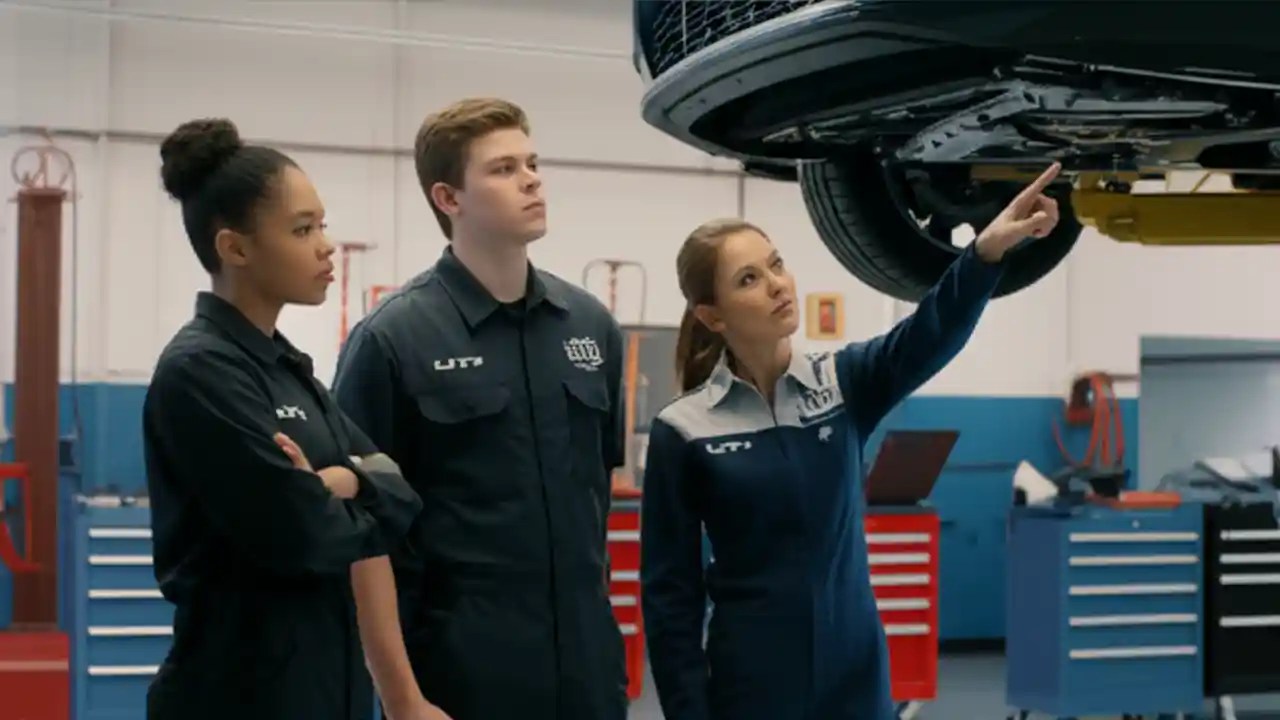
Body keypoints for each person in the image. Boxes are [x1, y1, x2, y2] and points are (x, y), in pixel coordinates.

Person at [640, 165, 1064, 720]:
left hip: (856, 675)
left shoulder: (843, 382)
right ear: (711, 315)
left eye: (776, 264)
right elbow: (670, 598)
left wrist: (984, 252)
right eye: (748, 279)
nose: (776, 284)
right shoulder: (685, 429)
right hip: (754, 684)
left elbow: (930, 332)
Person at [331, 97, 628, 720]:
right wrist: (401, 697)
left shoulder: (592, 328)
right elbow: (363, 541)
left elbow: (595, 497)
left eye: (532, 162)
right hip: (458, 678)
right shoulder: (391, 341)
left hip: (587, 673)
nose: (531, 179)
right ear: (449, 198)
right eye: (502, 169)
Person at [142, 118, 427, 720]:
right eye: (303, 229)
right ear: (235, 248)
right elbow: (303, 536)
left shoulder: (288, 369)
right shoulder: (201, 373)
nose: (326, 245)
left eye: (321, 224)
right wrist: (344, 487)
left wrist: (339, 481)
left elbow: (401, 496)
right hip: (237, 697)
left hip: (327, 691)